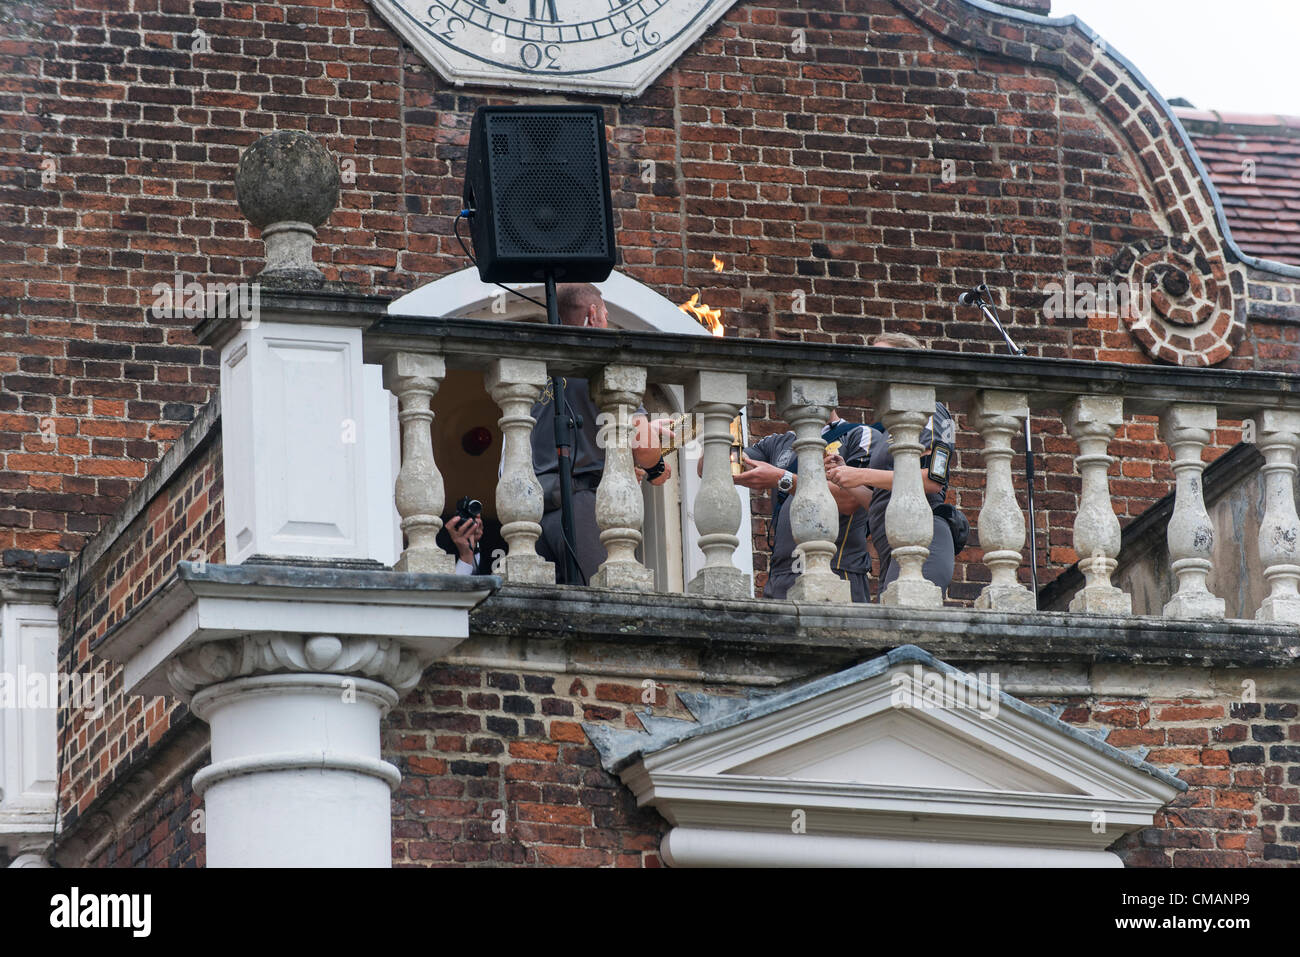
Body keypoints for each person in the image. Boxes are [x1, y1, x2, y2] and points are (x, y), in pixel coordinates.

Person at [529, 283, 671, 583]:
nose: (606, 321)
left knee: (551, 605)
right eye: (605, 314)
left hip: (535, 511)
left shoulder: (538, 368)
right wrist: (657, 467)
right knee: (604, 596)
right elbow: (644, 447)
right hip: (583, 506)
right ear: (593, 315)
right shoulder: (603, 366)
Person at [826, 332, 957, 597]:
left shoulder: (929, 410)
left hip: (923, 538)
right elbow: (879, 501)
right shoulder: (890, 427)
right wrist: (848, 479)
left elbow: (932, 481)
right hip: (891, 543)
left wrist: (861, 474)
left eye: (883, 359)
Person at [731, 412, 881, 601]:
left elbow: (850, 501)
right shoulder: (776, 442)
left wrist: (783, 478)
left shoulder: (859, 434)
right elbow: (711, 467)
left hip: (836, 571)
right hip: (780, 575)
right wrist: (721, 422)